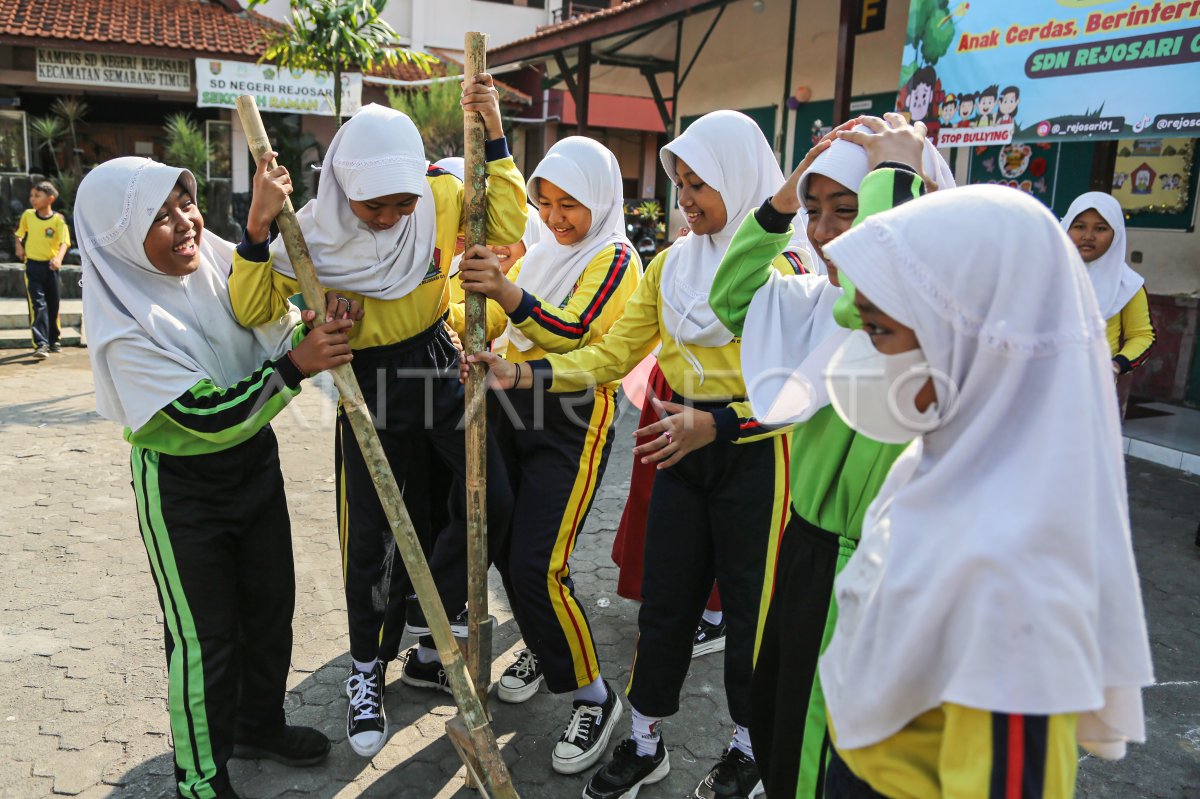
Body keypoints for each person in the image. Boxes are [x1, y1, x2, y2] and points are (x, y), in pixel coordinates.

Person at [472, 110, 801, 799]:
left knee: (750, 610)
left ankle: (748, 745)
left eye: (699, 184)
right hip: (676, 449)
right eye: (679, 182)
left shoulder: (785, 269)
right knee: (666, 601)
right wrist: (526, 374)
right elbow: (613, 351)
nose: (685, 198)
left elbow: (801, 385)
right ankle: (645, 736)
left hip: (753, 453)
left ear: (741, 181)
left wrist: (719, 423)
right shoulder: (671, 266)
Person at [816, 181, 1154, 798]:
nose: (863, 354)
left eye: (878, 331)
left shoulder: (1014, 581)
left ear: (970, 342)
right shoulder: (936, 470)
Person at [228, 81, 527, 759]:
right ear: (341, 184)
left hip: (436, 362)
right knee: (378, 539)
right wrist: (255, 228)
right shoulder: (304, 234)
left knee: (491, 499)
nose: (393, 215)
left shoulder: (440, 197)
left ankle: (429, 619)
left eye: (402, 201)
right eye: (376, 203)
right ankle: (369, 667)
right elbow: (250, 309)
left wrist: (497, 135)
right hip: (365, 382)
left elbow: (508, 225)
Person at [76, 155, 351, 799]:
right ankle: (199, 776)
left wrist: (310, 323)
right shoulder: (124, 324)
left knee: (270, 608)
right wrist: (295, 368)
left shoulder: (218, 263)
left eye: (185, 204)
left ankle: (257, 722)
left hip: (253, 463)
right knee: (204, 636)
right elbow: (202, 415)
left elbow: (265, 313)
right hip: (182, 488)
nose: (185, 223)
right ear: (119, 238)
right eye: (160, 216)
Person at [711, 114, 954, 799]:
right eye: (814, 214)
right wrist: (782, 199)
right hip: (805, 548)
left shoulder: (915, 324)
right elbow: (731, 298)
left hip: (872, 568)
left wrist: (898, 176)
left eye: (847, 211)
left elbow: (884, 286)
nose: (821, 233)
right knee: (778, 716)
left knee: (823, 746)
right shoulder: (818, 305)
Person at [443, 135, 640, 774]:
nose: (555, 218)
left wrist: (504, 293)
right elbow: (502, 326)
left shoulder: (615, 257)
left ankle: (594, 695)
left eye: (570, 205)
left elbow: (569, 330)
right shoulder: (545, 253)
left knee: (537, 564)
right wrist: (459, 303)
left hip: (573, 421)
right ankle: (543, 637)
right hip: (512, 410)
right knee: (509, 549)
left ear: (602, 201)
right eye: (546, 201)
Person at [1062, 192, 1155, 378]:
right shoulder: (1043, 273)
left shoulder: (1128, 285)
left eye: (1101, 229)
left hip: (1091, 391)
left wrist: (1116, 365)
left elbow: (1142, 336)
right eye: (1079, 226)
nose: (1088, 236)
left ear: (1117, 234)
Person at [15, 180, 70, 359]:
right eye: (32, 196)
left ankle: (54, 340)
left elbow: (64, 242)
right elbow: (19, 234)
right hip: (32, 266)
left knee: (53, 304)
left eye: (37, 196)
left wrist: (58, 258)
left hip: (51, 267)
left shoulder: (58, 221)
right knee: (38, 305)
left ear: (50, 199)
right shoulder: (28, 216)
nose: (33, 199)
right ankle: (41, 344)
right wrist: (19, 246)